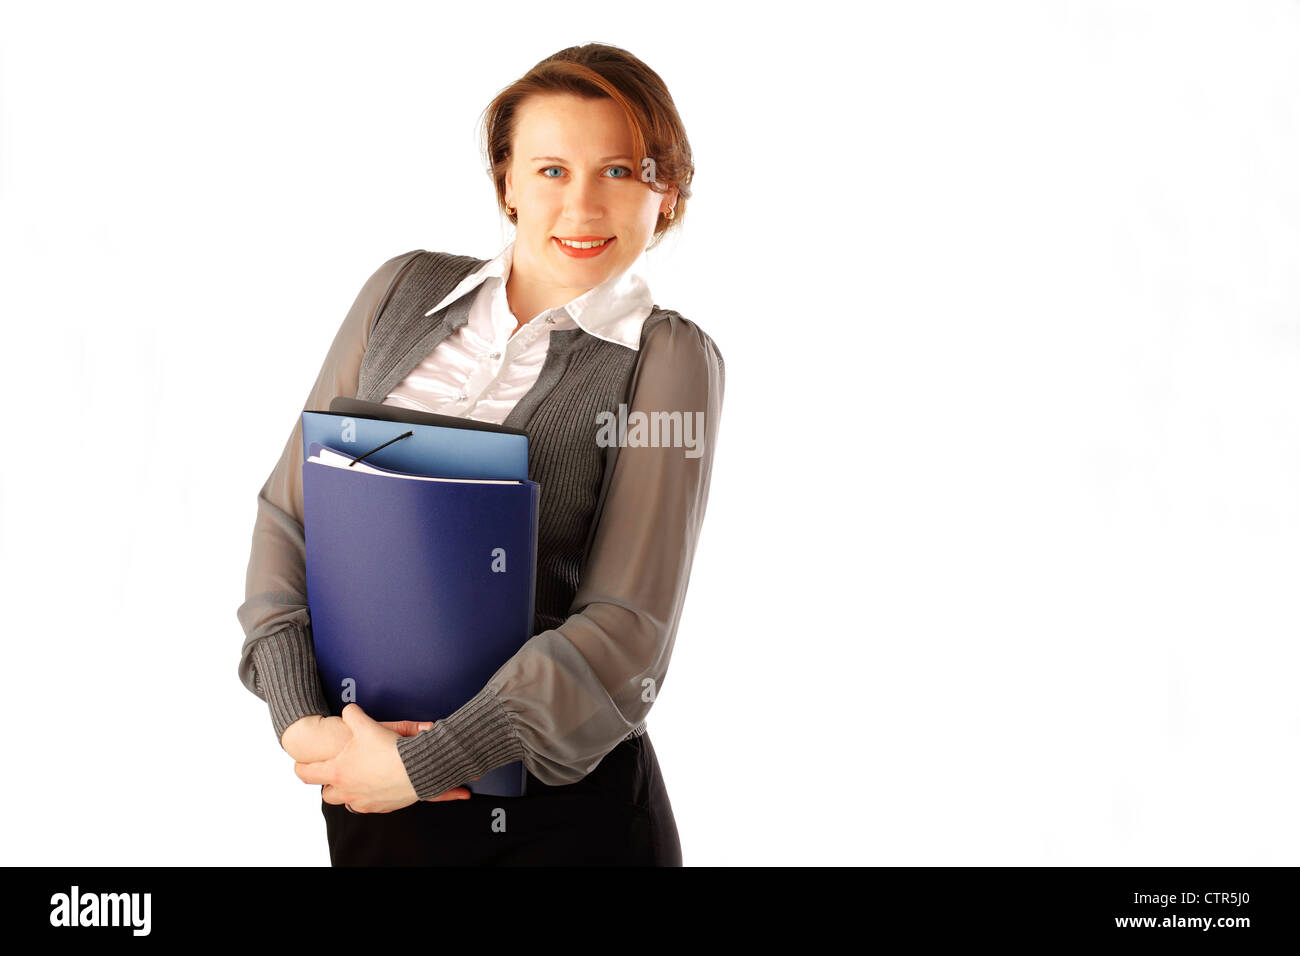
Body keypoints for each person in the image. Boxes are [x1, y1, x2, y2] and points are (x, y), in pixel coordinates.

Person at [235, 42, 724, 866]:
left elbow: (627, 627)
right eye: (551, 170)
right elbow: (291, 514)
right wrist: (304, 723)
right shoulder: (401, 289)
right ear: (506, 183)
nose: (583, 206)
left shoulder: (667, 359)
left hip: (557, 819)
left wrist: (424, 763)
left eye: (620, 171)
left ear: (665, 191)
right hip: (366, 793)